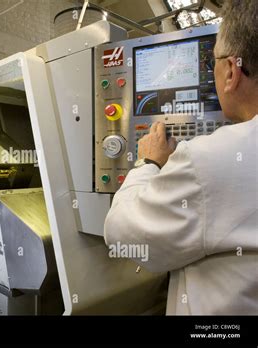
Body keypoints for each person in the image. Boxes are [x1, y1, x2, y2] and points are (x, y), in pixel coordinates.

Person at [104, 0, 257, 315]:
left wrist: (148, 163)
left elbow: (121, 232)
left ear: (231, 71)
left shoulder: (211, 158)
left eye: (211, 60)